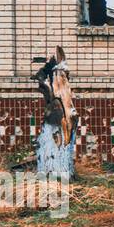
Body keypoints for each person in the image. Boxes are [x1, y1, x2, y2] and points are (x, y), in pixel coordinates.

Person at [33, 46, 76, 176]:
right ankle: (53, 172)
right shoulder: (56, 93)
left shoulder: (62, 93)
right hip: (55, 125)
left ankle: (59, 172)